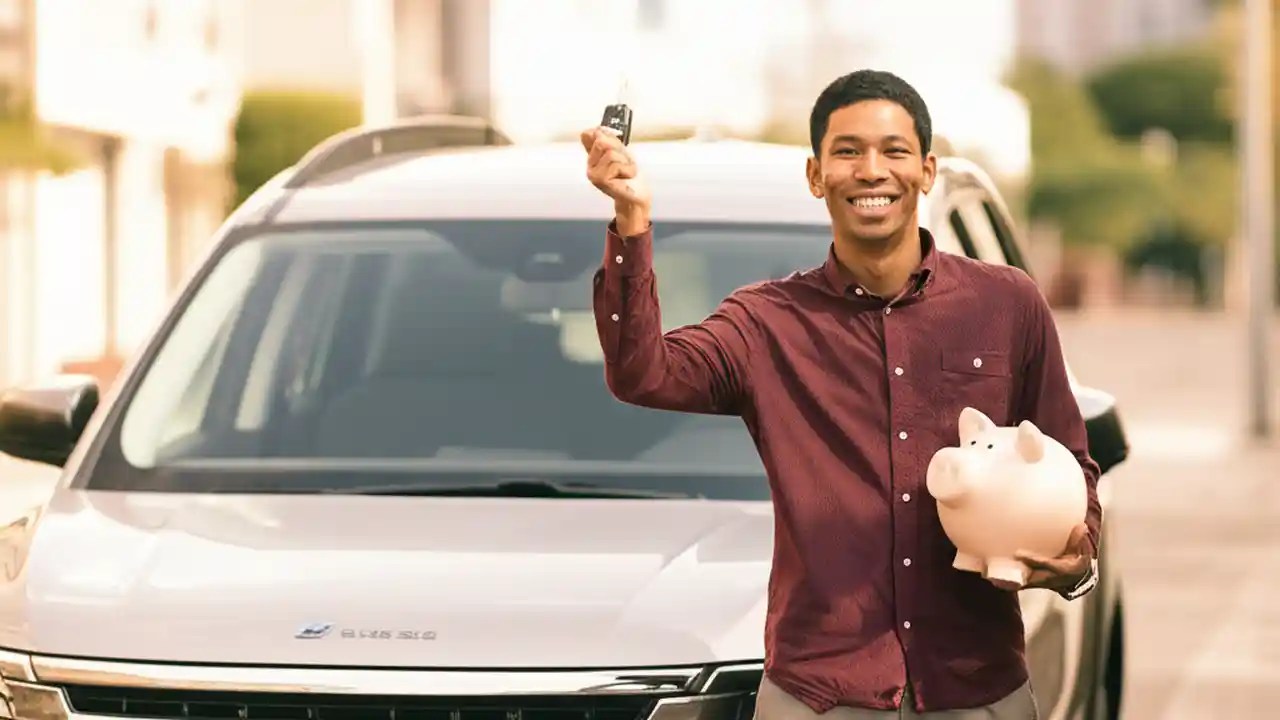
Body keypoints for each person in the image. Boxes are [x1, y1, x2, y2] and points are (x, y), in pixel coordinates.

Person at [580, 69, 1101, 719]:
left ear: (927, 171)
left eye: (894, 151)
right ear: (816, 175)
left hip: (978, 690)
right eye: (848, 151)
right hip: (820, 698)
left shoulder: (1007, 304)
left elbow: (1070, 463)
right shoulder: (765, 323)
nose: (871, 170)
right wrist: (632, 221)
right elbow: (643, 374)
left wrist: (1075, 559)